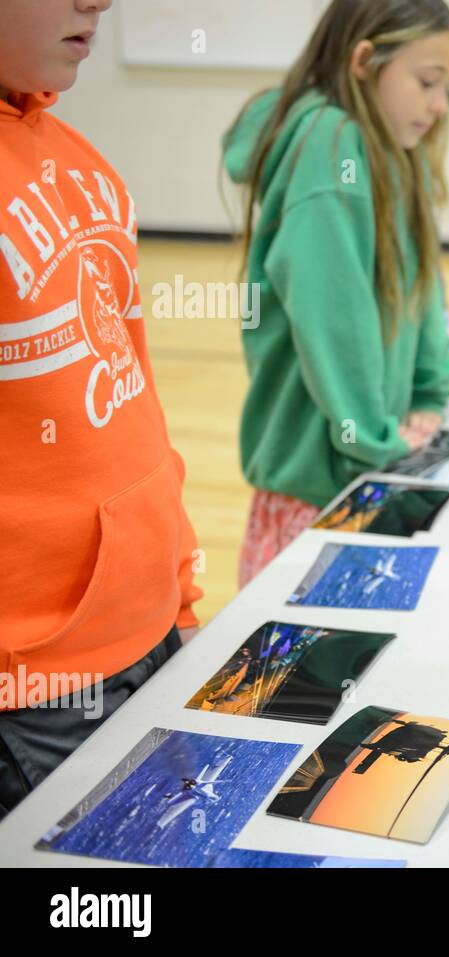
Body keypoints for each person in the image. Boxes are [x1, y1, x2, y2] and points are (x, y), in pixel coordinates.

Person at [0, 0, 204, 818]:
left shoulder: (82, 163)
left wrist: (177, 584)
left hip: (148, 627)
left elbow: (133, 398)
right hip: (35, 688)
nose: (100, 0)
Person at [223, 0, 449, 585]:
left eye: (447, 87)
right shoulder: (331, 143)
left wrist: (430, 392)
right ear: (363, 61)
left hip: (365, 460)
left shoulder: (390, 149)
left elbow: (420, 286)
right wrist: (371, 441)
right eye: (428, 82)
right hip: (324, 485)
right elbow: (333, 314)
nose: (440, 103)